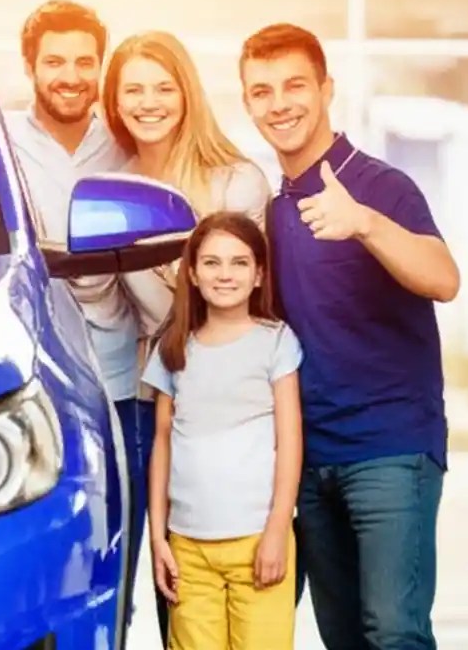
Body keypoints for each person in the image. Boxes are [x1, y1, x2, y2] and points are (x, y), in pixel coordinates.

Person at [238, 22, 461, 649]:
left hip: (391, 448)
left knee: (393, 633)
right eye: (261, 91)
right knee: (344, 639)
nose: (279, 103)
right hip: (312, 460)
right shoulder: (272, 208)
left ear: (327, 88)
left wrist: (363, 224)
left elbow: (444, 279)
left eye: (294, 85)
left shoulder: (381, 187)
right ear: (248, 103)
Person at [99, 29, 309, 642]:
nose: (149, 101)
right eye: (133, 89)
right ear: (114, 101)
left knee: (255, 605)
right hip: (162, 397)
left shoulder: (235, 181)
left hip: (240, 406)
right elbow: (127, 312)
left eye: (164, 87)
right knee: (180, 602)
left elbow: (236, 298)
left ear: (188, 94)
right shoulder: (114, 193)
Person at [0, 0, 159, 638]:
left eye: (85, 61)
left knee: (117, 568)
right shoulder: (0, 141)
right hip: (31, 386)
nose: (71, 75)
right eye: (55, 61)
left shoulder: (129, 143)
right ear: (31, 66)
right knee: (34, 571)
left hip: (121, 389)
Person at [141, 210, 304, 650]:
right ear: (192, 273)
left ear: (258, 275)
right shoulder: (174, 346)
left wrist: (276, 530)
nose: (225, 274)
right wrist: (159, 538)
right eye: (212, 262)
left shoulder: (275, 341)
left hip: (257, 540)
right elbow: (162, 444)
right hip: (189, 549)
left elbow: (289, 442)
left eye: (239, 262)